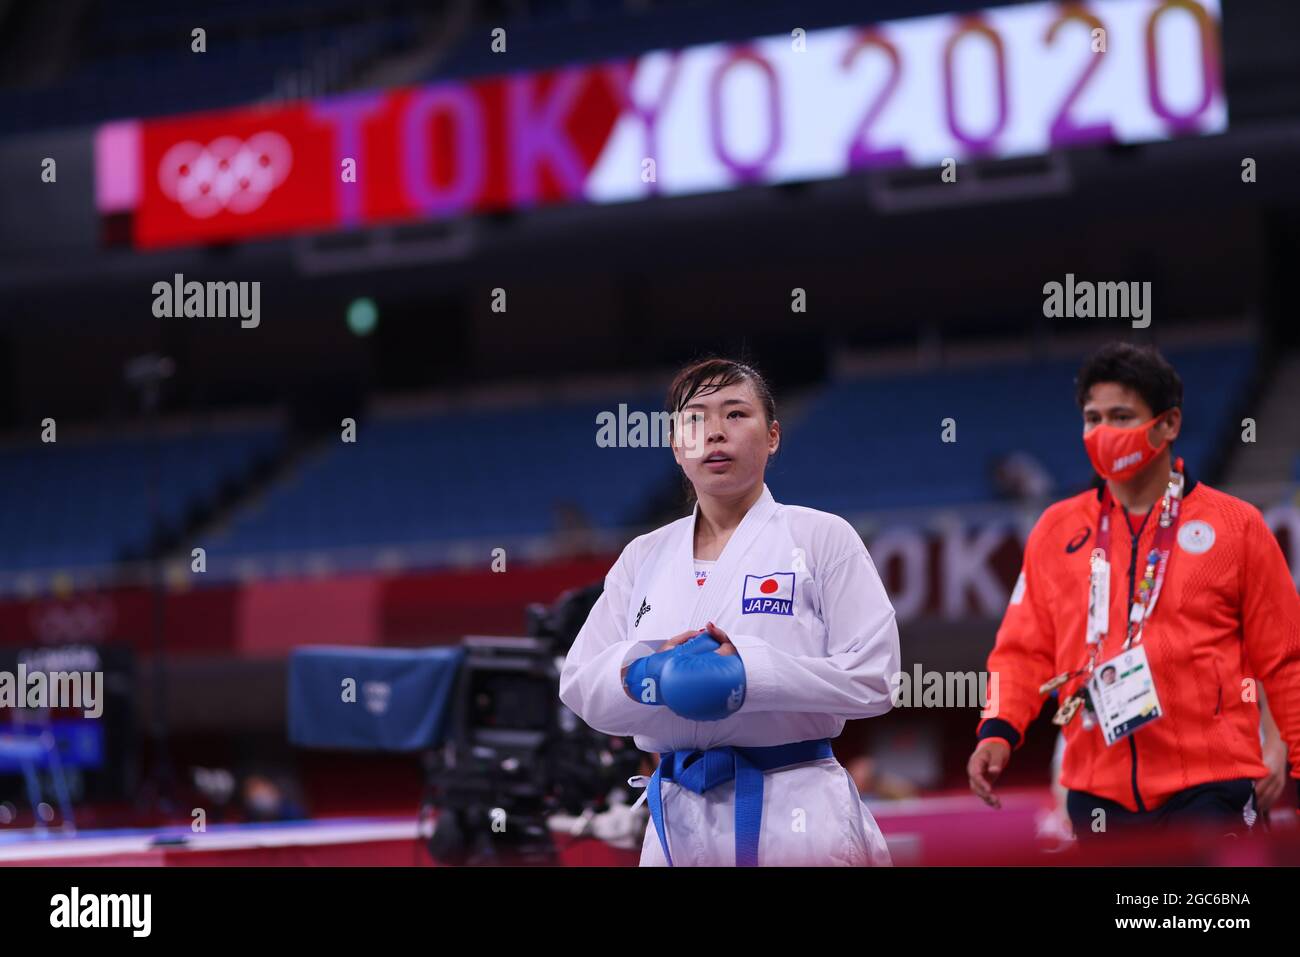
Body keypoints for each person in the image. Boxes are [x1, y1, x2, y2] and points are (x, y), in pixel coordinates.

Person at [559, 358, 899, 866]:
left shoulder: (822, 537)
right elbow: (579, 683)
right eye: (695, 419)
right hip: (675, 817)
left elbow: (877, 679)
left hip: (796, 809)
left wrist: (750, 674)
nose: (715, 432)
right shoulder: (643, 557)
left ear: (773, 437)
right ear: (676, 446)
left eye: (736, 414)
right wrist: (644, 671)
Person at [968, 342, 1300, 840]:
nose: (1104, 433)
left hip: (1211, 784)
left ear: (1168, 425)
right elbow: (1021, 649)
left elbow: (1285, 659)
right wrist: (998, 729)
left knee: (1196, 921)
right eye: (1092, 418)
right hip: (1095, 793)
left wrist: (1293, 761)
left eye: (1122, 417)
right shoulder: (1056, 530)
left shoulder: (1237, 528)